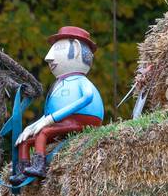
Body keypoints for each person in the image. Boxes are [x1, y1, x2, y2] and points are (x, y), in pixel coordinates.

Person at [10, 26, 104, 185]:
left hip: (83, 120)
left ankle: (40, 166)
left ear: (77, 49)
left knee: (43, 133)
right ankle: (22, 171)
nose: (49, 57)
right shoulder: (58, 84)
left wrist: (50, 119)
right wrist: (33, 125)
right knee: (25, 141)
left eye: (58, 49)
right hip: (62, 122)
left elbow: (87, 97)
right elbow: (50, 113)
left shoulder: (81, 82)